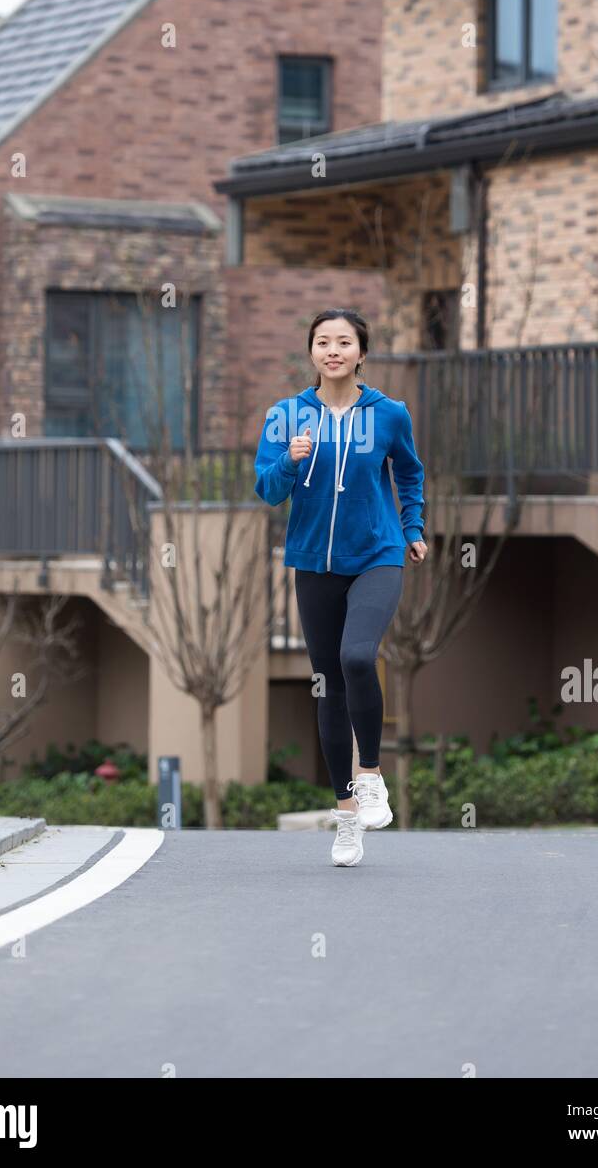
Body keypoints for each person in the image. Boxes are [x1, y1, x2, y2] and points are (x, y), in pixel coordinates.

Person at [254, 307, 428, 866]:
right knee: (327, 683)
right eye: (323, 341)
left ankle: (372, 774)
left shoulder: (389, 415)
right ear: (311, 352)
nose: (333, 350)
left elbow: (409, 470)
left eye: (344, 342)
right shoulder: (285, 416)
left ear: (360, 352)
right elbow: (266, 489)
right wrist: (288, 459)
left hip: (377, 554)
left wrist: (413, 527)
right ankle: (346, 813)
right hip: (314, 563)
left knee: (358, 657)